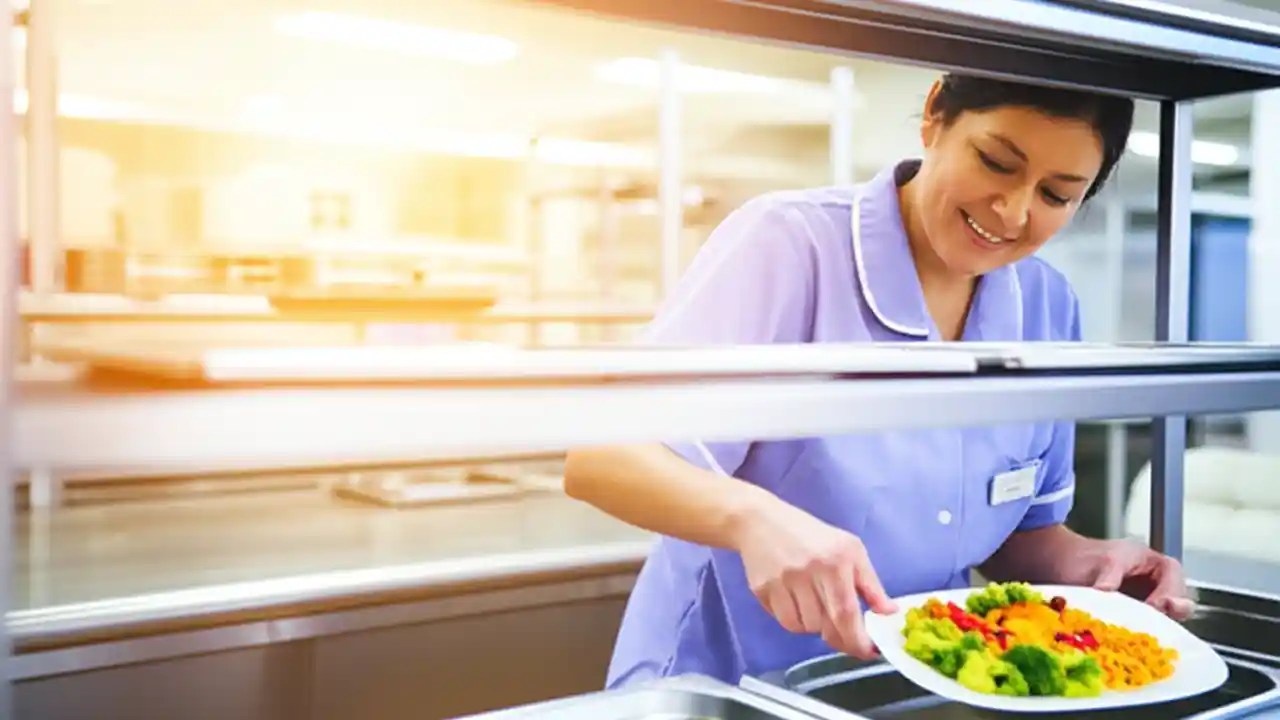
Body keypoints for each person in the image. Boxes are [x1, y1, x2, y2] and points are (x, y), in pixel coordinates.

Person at [564, 73, 1195, 689]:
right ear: (935, 116)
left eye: (1056, 196)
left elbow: (1020, 537)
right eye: (996, 162)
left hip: (905, 688)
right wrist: (752, 519)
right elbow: (602, 455)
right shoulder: (791, 246)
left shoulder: (1047, 304)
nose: (1013, 210)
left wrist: (1092, 564)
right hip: (730, 687)